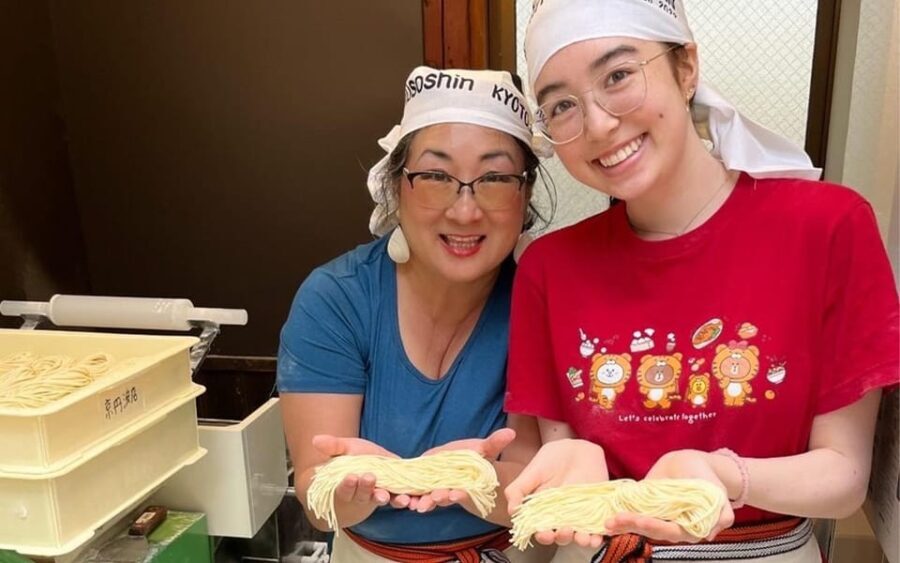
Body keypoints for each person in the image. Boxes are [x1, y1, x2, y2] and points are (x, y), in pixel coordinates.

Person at [501, 1, 899, 562]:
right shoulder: (549, 267)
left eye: (618, 76)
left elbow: (844, 476)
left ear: (686, 68)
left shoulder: (828, 227)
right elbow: (560, 461)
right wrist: (569, 475)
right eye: (562, 105)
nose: (598, 125)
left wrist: (722, 474)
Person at [278, 66, 555, 562]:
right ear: (395, 185)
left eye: (494, 178)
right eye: (435, 176)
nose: (465, 211)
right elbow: (318, 498)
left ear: (525, 193)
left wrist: (474, 480)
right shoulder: (336, 300)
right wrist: (349, 489)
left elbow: (542, 495)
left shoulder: (545, 298)